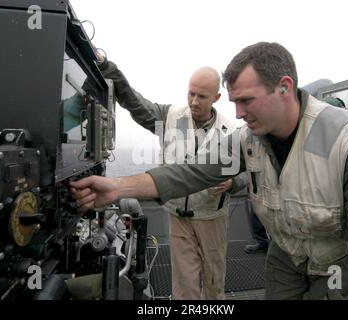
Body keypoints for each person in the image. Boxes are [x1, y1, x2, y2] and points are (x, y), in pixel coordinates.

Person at [71, 42, 348, 300]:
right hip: (285, 259)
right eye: (234, 102)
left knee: (214, 279)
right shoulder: (244, 138)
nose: (238, 114)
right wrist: (117, 188)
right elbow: (189, 172)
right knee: (186, 285)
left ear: (284, 87)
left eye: (246, 101)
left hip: (332, 267)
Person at [94, 52, 247, 300]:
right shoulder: (170, 117)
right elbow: (135, 103)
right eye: (191, 93)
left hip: (212, 218)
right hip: (178, 216)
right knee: (184, 286)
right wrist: (109, 69)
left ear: (217, 98)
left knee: (213, 280)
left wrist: (233, 182)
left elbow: (248, 173)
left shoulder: (230, 131)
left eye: (202, 96)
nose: (194, 101)